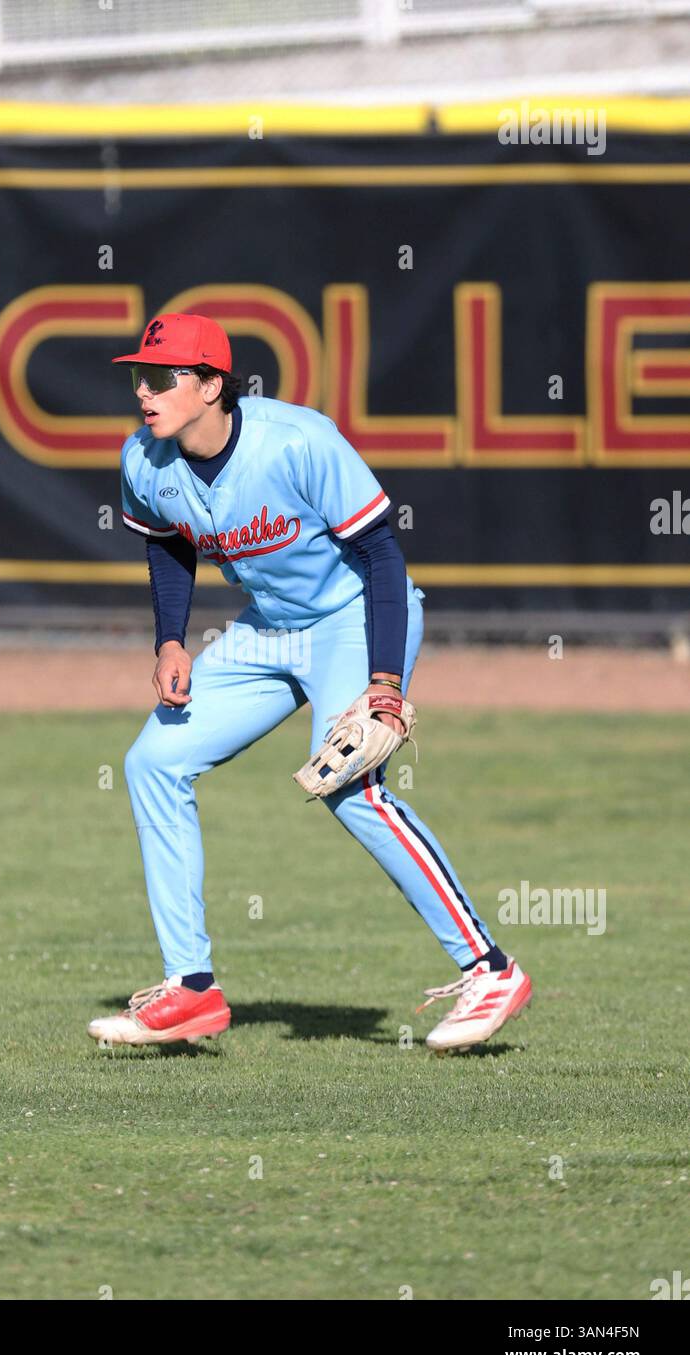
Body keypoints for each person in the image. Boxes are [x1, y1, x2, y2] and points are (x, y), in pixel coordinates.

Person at [88, 313, 532, 1052]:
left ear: (209, 385)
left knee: (352, 785)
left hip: (356, 620)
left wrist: (384, 682)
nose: (145, 390)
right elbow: (168, 543)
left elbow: (383, 556)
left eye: (162, 377)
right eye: (139, 375)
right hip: (270, 628)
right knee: (151, 763)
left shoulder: (296, 441)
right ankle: (191, 990)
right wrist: (170, 637)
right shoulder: (145, 460)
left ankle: (490, 968)